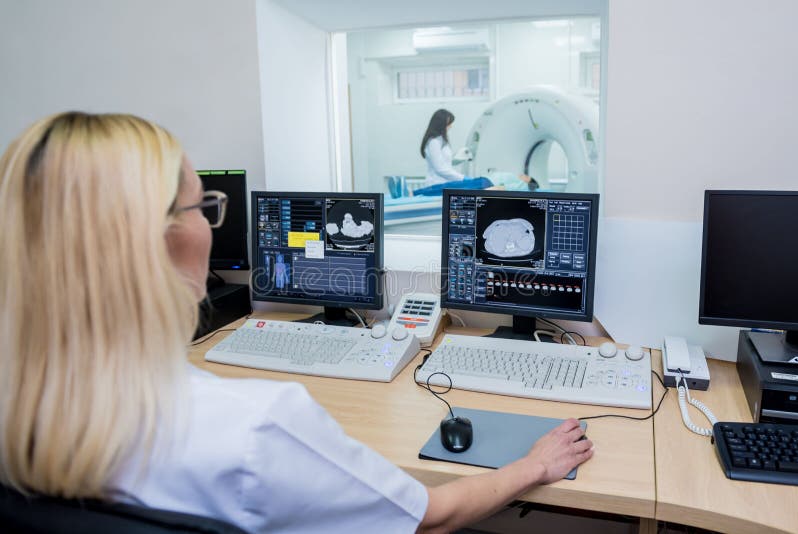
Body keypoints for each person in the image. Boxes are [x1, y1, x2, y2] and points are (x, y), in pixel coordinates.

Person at [0, 112, 593, 533]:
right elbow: (428, 518)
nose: (212, 222)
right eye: (203, 206)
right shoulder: (256, 426)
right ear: (160, 238)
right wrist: (533, 464)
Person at [414, 109, 537, 197]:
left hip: (479, 182)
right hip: (437, 181)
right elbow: (440, 168)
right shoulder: (434, 141)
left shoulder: (522, 184)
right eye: (449, 123)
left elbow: (446, 162)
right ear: (441, 123)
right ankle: (415, 193)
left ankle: (415, 193)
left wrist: (459, 159)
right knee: (457, 187)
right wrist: (463, 178)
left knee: (465, 187)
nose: (451, 126)